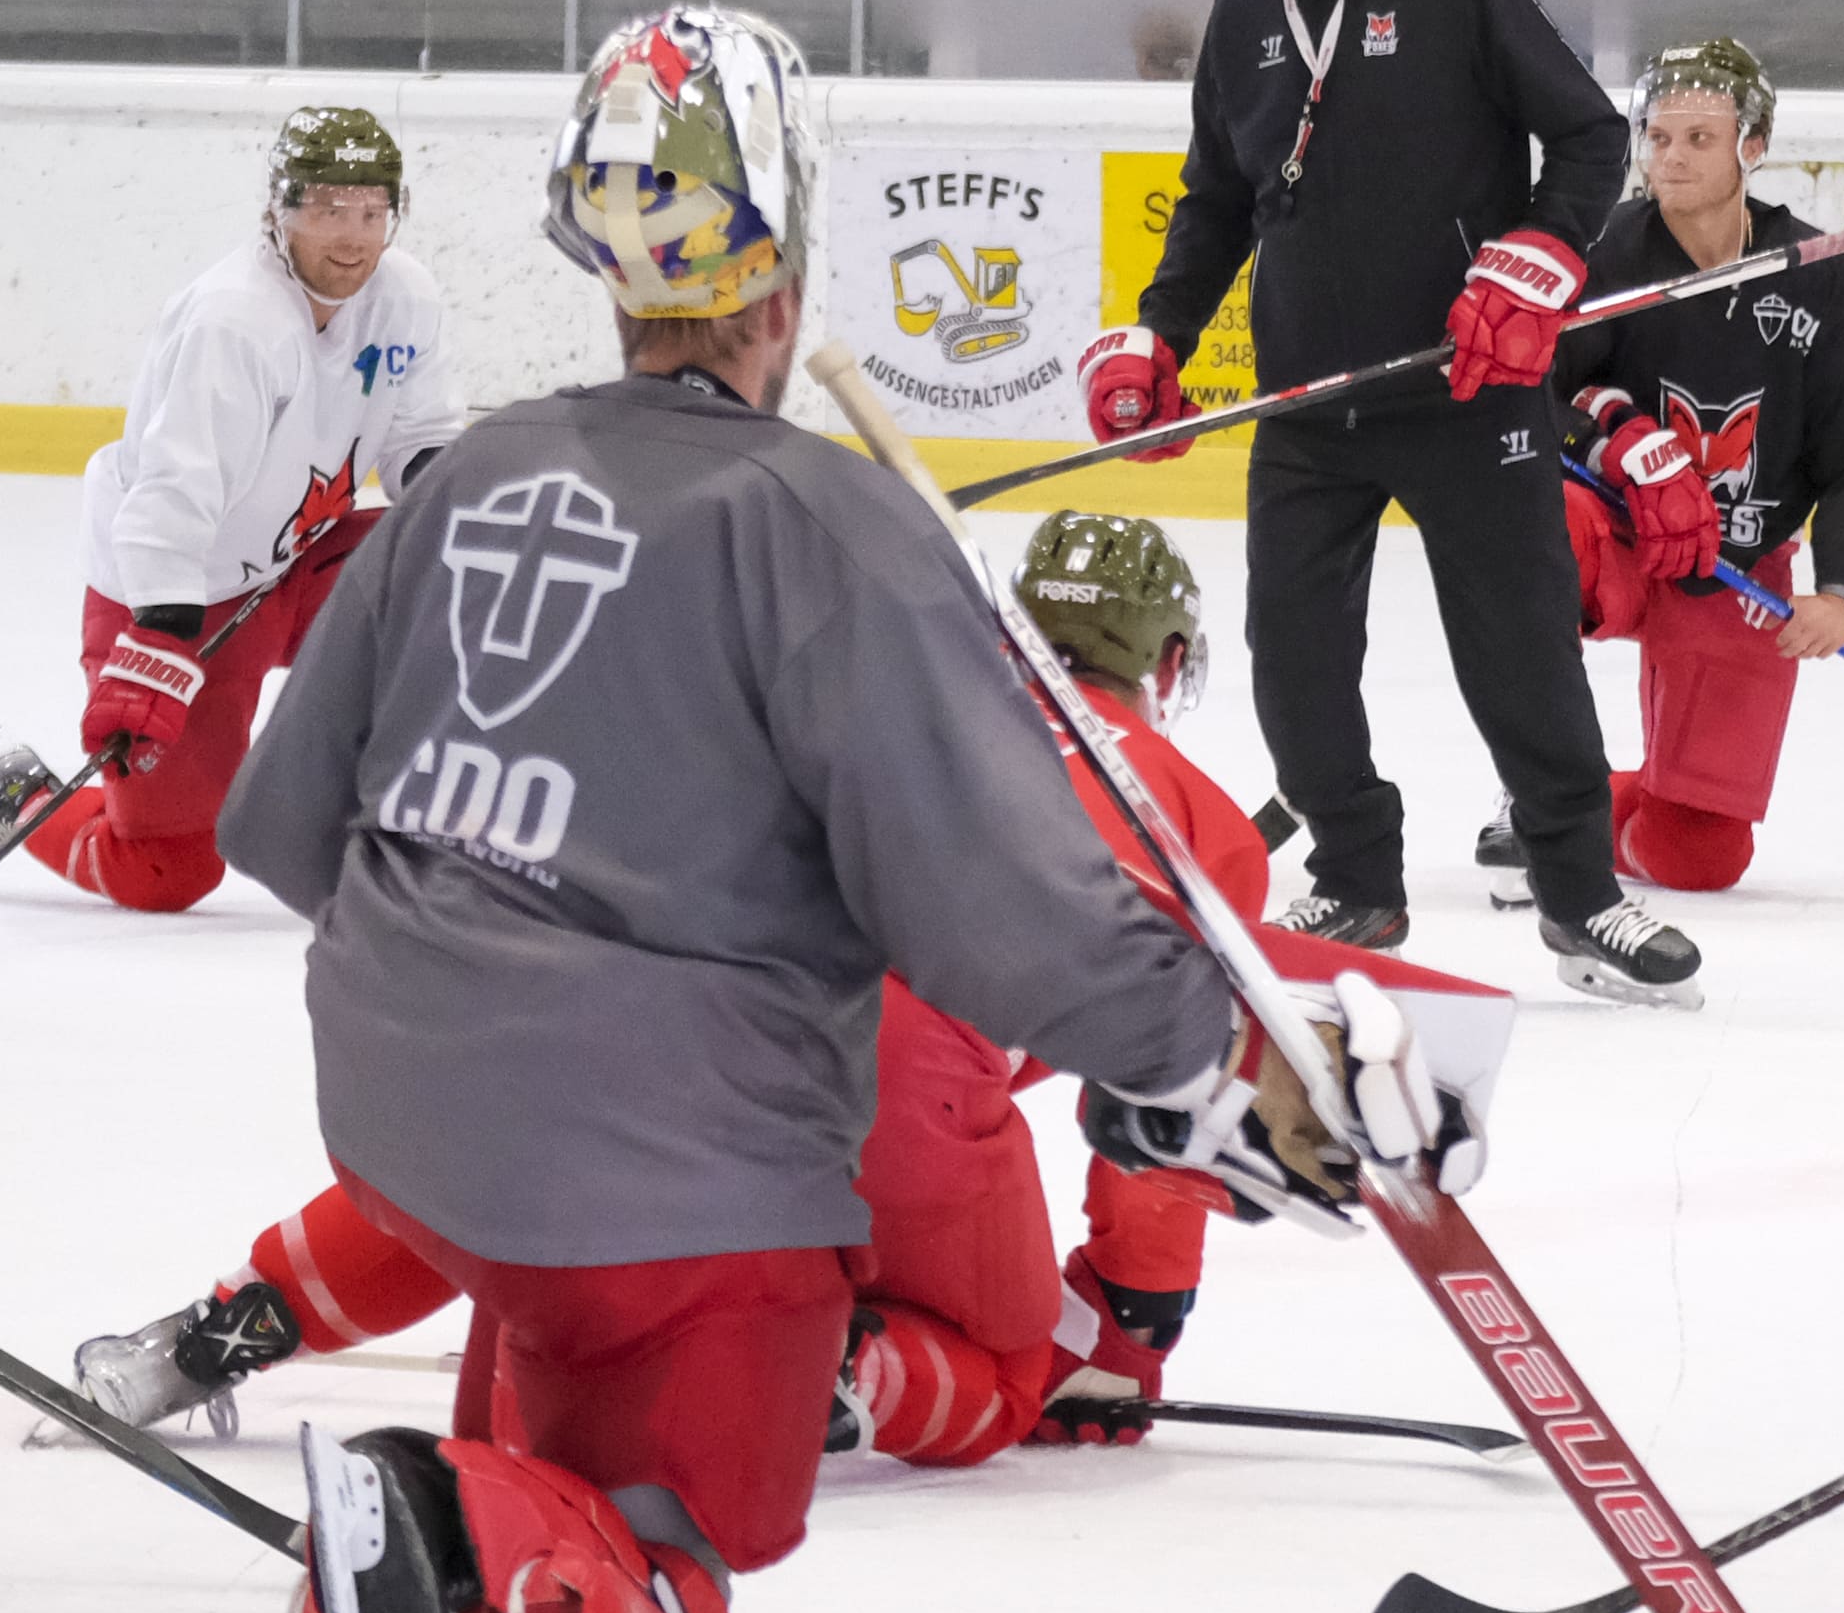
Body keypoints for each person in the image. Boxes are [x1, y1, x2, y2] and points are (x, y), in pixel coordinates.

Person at [226, 5, 1425, 1613]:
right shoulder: (836, 526)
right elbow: (1005, 915)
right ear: (785, 282)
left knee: (568, 1292)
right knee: (730, 1492)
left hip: (399, 1128)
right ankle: (502, 1542)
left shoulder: (460, 477)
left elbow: (283, 823)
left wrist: (505, 932)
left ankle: (508, 1514)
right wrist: (1230, 1049)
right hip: (684, 1194)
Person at [65, 504, 1269, 1468]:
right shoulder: (1206, 829)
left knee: (508, 1202)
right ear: (1166, 661)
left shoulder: (880, 698)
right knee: (1006, 1380)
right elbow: (1173, 1100)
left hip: (657, 997)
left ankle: (208, 1333)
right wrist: (1126, 1327)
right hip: (908, 1077)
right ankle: (841, 1373)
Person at [1088, 0, 1689, 1005]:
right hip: (1312, 405)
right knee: (1292, 660)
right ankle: (1359, 870)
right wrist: (1159, 335)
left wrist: (1539, 252)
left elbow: (1588, 132)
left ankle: (1581, 897)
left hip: (1470, 393)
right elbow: (1214, 202)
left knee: (1520, 651)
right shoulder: (1245, 10)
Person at [0, 101, 464, 922]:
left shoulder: (405, 296)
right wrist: (161, 632)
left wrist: (449, 510)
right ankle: (21, 799)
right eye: (326, 210)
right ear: (279, 212)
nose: (354, 237)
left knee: (459, 584)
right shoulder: (236, 323)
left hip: (299, 558)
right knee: (165, 872)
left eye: (371, 212)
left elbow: (421, 434)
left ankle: (385, 812)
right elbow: (176, 489)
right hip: (185, 587)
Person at [1471, 33, 1844, 903]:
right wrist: (1612, 434)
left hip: (1737, 565)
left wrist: (1841, 592)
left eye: (1699, 139)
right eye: (1659, 137)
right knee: (1530, 526)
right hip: (1624, 536)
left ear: (1754, 145)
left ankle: (1592, 807)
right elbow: (1528, 398)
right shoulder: (1602, 256)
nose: (1670, 158)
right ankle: (1542, 786)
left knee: (1694, 857)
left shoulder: (1820, 279)